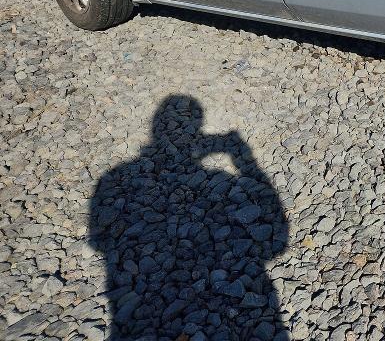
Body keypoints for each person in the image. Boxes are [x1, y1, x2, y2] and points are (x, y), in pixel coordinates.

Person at [89, 95, 289, 340]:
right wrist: (244, 157)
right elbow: (277, 240)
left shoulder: (113, 177)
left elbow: (99, 241)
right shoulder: (223, 178)